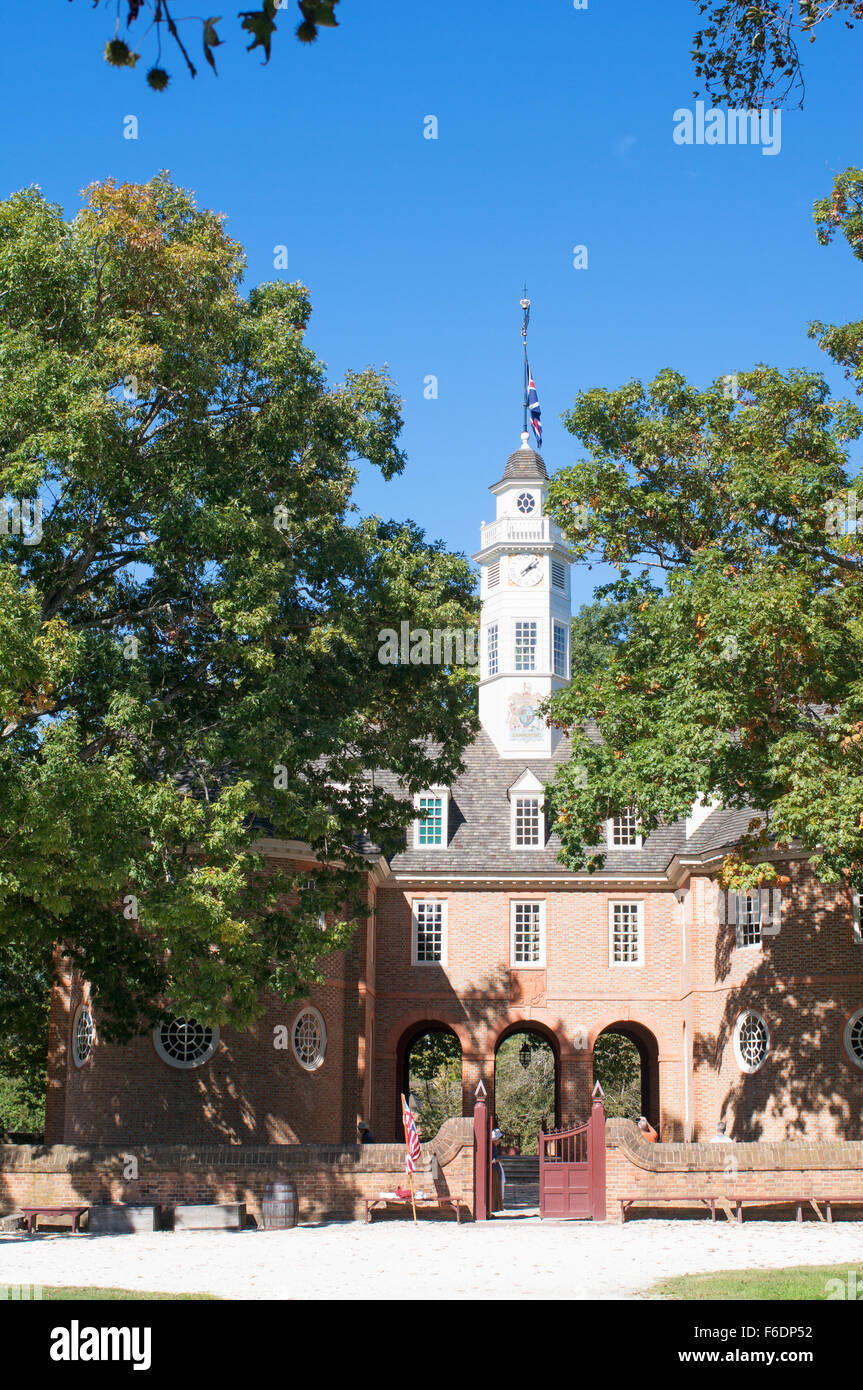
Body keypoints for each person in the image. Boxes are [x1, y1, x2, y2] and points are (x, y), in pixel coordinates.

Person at [490, 1126, 506, 1211]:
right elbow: (490, 1159)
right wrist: (496, 1160)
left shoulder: (494, 1146)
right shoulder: (491, 1146)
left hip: (496, 1168)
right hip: (493, 1169)